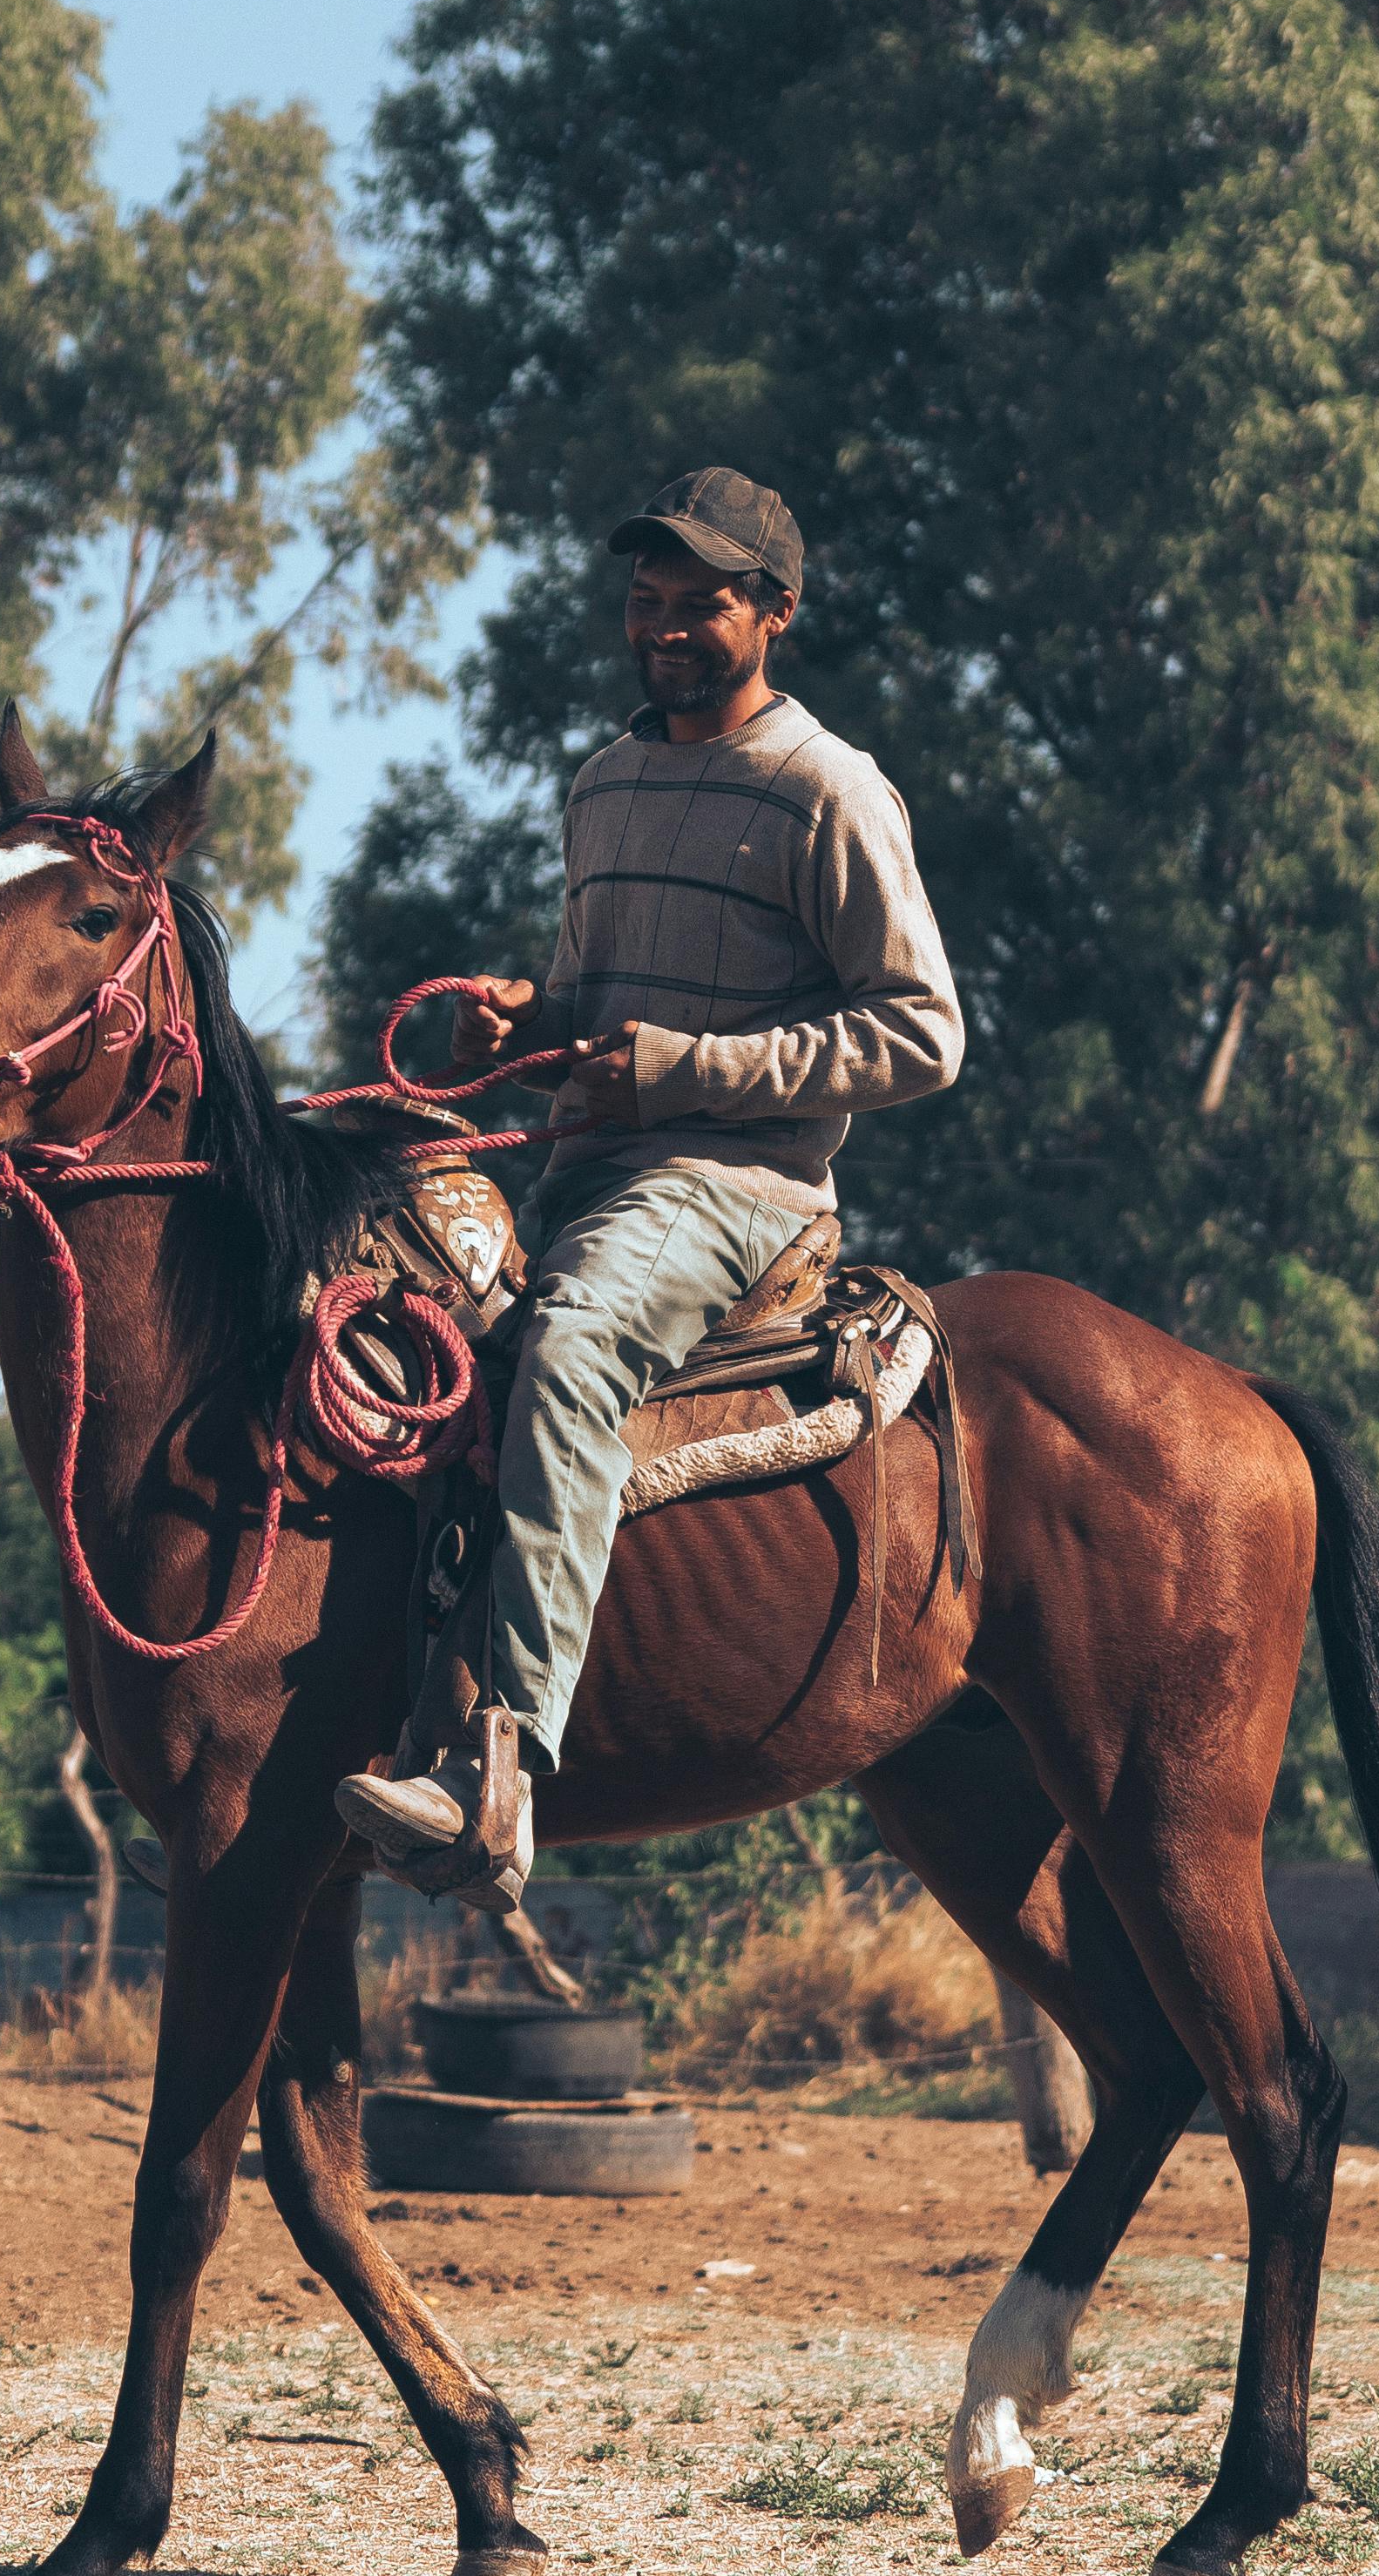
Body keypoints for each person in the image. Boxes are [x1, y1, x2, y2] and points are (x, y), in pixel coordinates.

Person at [335, 465, 964, 1890]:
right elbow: (593, 1002)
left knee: (565, 1352)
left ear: (777, 615)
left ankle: (501, 1766)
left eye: (703, 603)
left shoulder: (829, 791)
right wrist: (529, 1025)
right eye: (648, 599)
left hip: (737, 1196)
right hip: (586, 1173)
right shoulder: (606, 781)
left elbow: (923, 1034)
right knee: (363, 1315)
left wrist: (684, 1069)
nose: (667, 626)